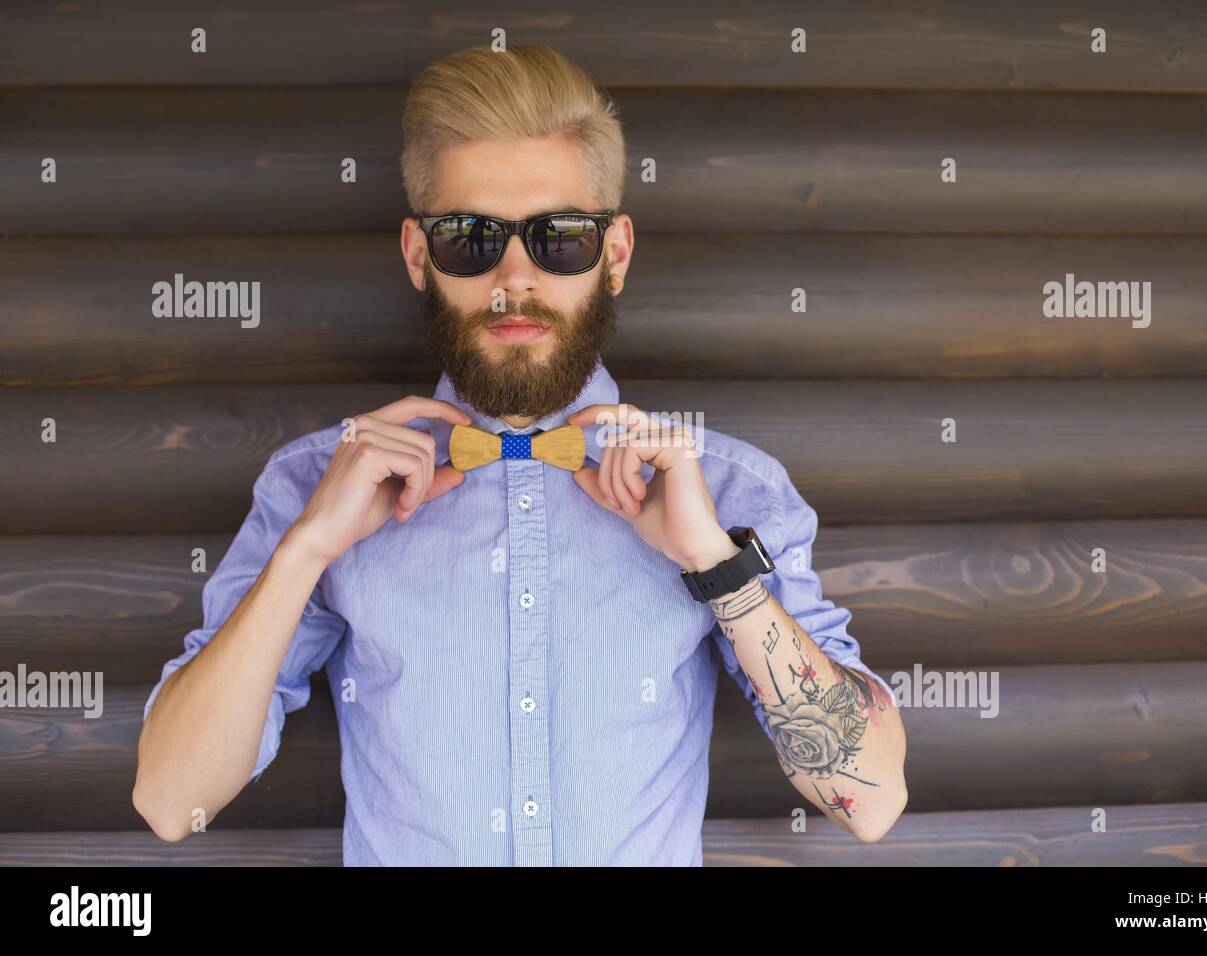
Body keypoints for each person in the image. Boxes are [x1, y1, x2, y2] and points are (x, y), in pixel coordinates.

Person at [133, 44, 907, 866]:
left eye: (559, 238)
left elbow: (870, 800)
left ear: (613, 255)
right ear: (417, 254)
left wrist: (716, 566)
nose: (514, 279)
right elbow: (174, 803)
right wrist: (306, 551)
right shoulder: (317, 485)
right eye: (470, 238)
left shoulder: (725, 488)